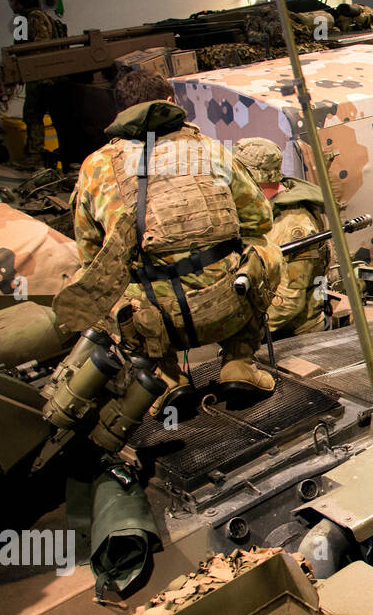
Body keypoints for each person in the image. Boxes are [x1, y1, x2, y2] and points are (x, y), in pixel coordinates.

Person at [53, 97, 282, 413]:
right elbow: (260, 219)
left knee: (89, 277)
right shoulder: (210, 149)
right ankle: (239, 363)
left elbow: (90, 253)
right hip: (227, 307)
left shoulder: (96, 166)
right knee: (264, 248)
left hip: (152, 321)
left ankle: (167, 377)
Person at [233, 137, 332, 338]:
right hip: (268, 323)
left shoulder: (294, 225)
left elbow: (290, 300)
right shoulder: (264, 210)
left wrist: (243, 334)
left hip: (297, 335)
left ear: (252, 179)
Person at [7, 0, 66, 169]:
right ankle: (56, 155)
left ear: (15, 1)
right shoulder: (31, 17)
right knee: (51, 116)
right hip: (46, 75)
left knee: (33, 115)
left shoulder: (28, 18)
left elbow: (31, 47)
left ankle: (35, 156)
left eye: (11, 1)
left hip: (41, 75)